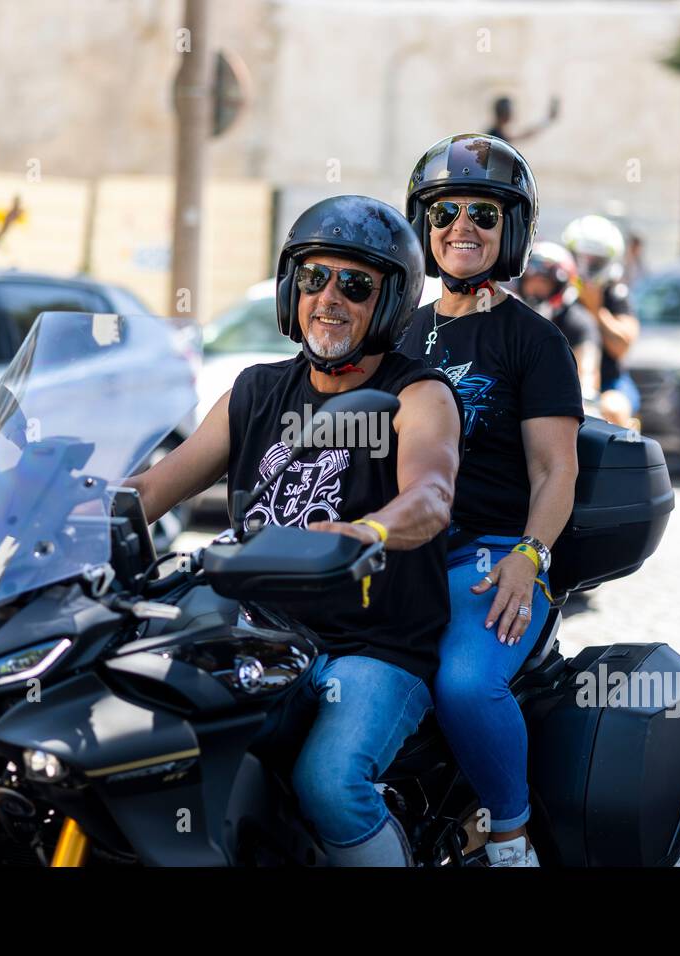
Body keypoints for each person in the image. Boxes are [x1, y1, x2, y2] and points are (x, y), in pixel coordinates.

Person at [124, 195, 463, 866]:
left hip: (371, 647)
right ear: (290, 289)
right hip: (255, 637)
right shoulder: (254, 392)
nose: (329, 298)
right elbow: (155, 487)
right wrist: (56, 515)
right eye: (314, 278)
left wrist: (365, 532)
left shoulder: (418, 396)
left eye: (355, 284)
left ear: (389, 303)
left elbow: (431, 495)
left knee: (330, 784)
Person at [399, 133, 583, 867]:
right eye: (445, 213)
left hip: (492, 554)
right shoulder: (396, 331)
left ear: (512, 229)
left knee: (467, 684)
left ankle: (509, 835)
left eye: (482, 212)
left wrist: (529, 557)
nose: (461, 228)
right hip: (399, 551)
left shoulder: (534, 342)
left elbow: (555, 471)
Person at [562, 214, 640, 428]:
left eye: (594, 261)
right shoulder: (559, 291)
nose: (586, 267)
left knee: (614, 409)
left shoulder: (616, 295)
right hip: (562, 381)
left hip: (610, 383)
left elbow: (622, 347)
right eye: (581, 258)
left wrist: (596, 310)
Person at [518, 241, 600, 403]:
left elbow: (587, 377)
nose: (535, 289)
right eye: (530, 280)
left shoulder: (578, 322)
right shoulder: (509, 319)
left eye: (544, 281)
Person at [486, 95, 558, 145]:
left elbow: (525, 134)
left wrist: (547, 121)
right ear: (506, 114)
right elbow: (525, 134)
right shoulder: (495, 137)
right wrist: (547, 120)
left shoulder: (497, 133)